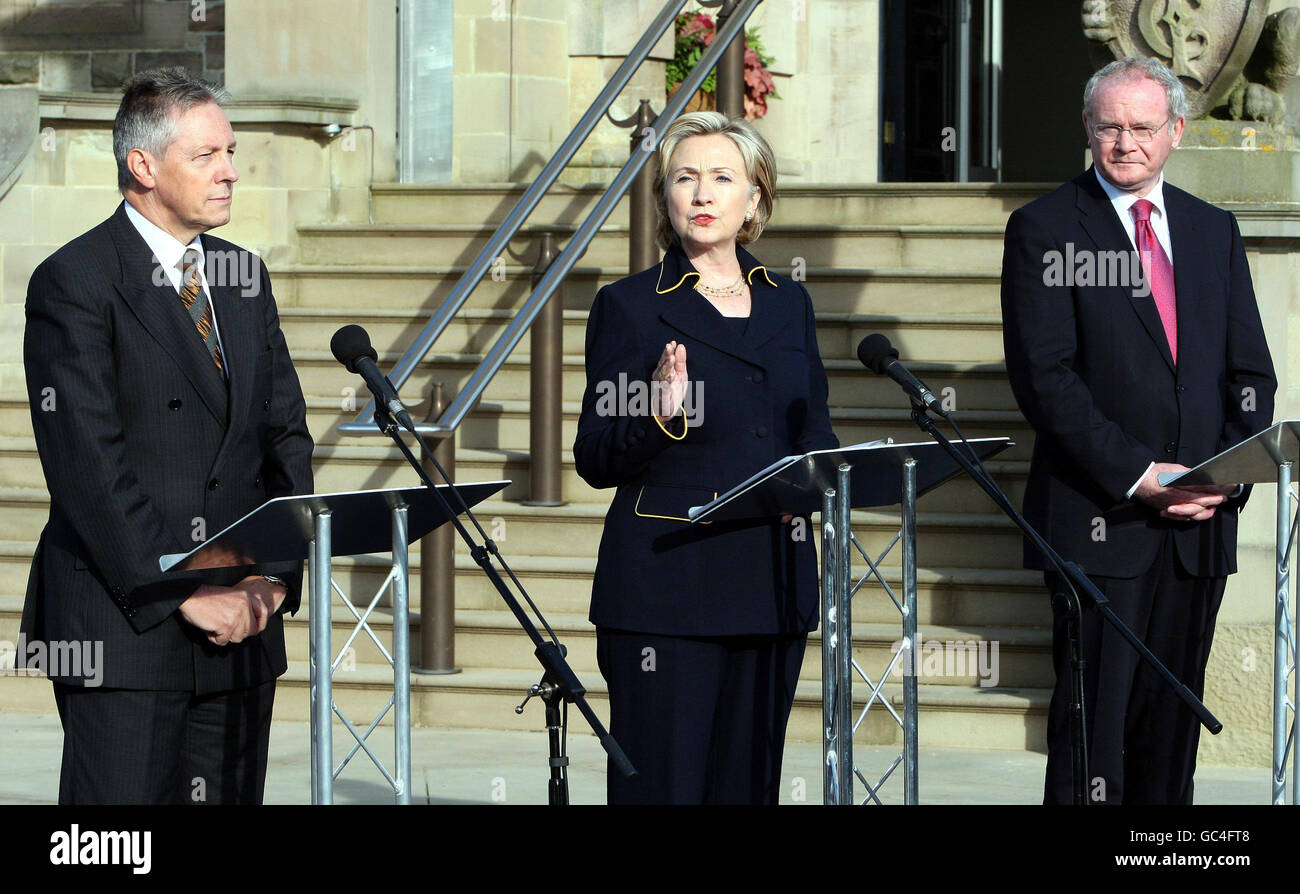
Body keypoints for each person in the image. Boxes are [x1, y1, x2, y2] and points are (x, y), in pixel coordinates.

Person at [21, 68, 314, 804]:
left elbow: (286, 439)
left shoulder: (244, 276)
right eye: (207, 156)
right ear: (143, 166)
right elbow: (89, 464)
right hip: (129, 630)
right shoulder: (75, 281)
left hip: (243, 626)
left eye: (232, 151)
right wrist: (185, 592)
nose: (231, 172)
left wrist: (273, 579)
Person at [1000, 56, 1276, 804]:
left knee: (1172, 734)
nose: (1125, 143)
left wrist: (1225, 476)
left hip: (1199, 532)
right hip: (1101, 520)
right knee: (1094, 732)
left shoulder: (1212, 230)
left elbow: (1250, 375)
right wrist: (1140, 476)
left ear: (1176, 131)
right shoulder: (1046, 229)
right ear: (1088, 129)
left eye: (1142, 127)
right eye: (1108, 127)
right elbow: (1045, 379)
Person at [574, 111, 838, 804]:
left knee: (746, 789)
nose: (701, 193)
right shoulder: (629, 307)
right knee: (663, 789)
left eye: (722, 177)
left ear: (755, 198)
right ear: (664, 198)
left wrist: (820, 487)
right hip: (667, 593)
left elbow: (816, 436)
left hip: (771, 585)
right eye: (685, 178)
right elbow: (596, 456)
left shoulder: (791, 304)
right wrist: (659, 417)